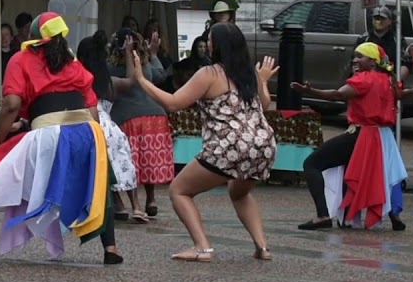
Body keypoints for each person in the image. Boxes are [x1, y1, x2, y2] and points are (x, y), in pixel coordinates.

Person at [0, 12, 122, 265]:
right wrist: (94, 147)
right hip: (87, 132)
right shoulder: (74, 64)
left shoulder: (21, 59)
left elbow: (11, 104)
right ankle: (111, 247)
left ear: (33, 36)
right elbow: (90, 109)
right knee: (96, 182)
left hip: (49, 135)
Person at [132, 23, 278, 262]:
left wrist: (141, 79)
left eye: (210, 40)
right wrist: (262, 81)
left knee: (179, 190)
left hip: (229, 146)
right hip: (263, 147)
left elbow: (173, 103)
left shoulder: (210, 73)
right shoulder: (249, 74)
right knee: (239, 193)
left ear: (217, 46)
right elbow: (264, 105)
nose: (207, 43)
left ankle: (202, 248)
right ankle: (262, 247)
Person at [294, 43, 413, 231]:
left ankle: (323, 215)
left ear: (373, 62)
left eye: (360, 56)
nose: (355, 60)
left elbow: (338, 95)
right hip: (381, 136)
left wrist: (310, 92)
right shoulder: (387, 80)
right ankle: (370, 216)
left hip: (361, 135)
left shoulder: (363, 79)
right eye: (355, 56)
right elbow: (400, 94)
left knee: (312, 164)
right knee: (378, 174)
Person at [107, 27, 175, 218]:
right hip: (155, 117)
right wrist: (153, 54)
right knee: (147, 162)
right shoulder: (144, 64)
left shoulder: (110, 67)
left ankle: (128, 205)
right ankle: (151, 199)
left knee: (130, 163)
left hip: (127, 119)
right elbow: (161, 75)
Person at [78, 32, 142, 222]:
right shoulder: (109, 82)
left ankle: (118, 205)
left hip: (91, 124)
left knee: (106, 167)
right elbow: (132, 80)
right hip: (112, 128)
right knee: (124, 162)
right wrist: (129, 53)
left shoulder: (80, 81)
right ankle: (136, 206)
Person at [357, 5, 401, 74]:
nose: (379, 21)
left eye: (382, 19)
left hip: (389, 77)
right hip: (367, 78)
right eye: (376, 18)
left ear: (389, 21)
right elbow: (355, 62)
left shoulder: (397, 40)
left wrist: (396, 78)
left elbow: (406, 64)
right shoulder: (364, 39)